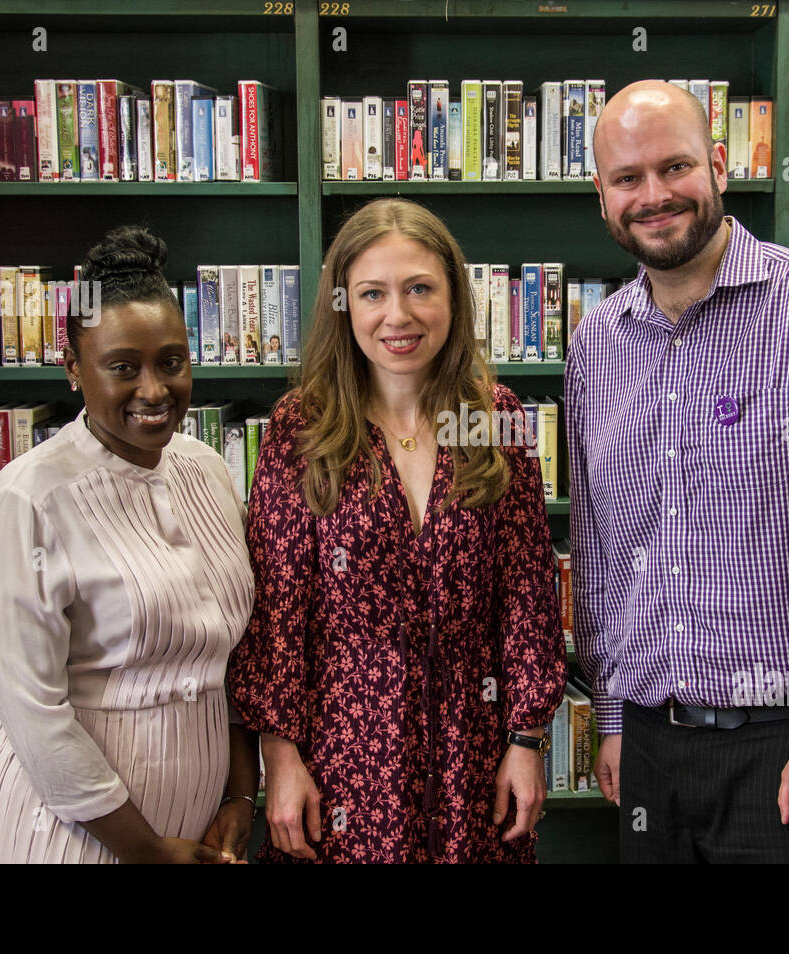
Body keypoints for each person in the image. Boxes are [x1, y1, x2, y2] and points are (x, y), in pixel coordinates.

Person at [567, 80, 789, 863]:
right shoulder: (596, 346)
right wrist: (616, 716)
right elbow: (599, 550)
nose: (654, 196)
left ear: (720, 168)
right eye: (628, 178)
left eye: (676, 168)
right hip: (652, 751)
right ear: (602, 196)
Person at [226, 197, 567, 863]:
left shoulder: (497, 418)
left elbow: (526, 594)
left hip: (474, 756)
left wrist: (527, 742)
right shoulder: (303, 426)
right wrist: (281, 756)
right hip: (341, 758)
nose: (398, 315)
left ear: (453, 298)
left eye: (419, 289)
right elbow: (277, 609)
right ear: (343, 305)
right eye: (372, 293)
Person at [0, 226, 258, 864]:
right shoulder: (30, 497)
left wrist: (241, 795)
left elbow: (231, 661)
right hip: (67, 832)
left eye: (172, 362)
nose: (154, 390)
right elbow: (34, 711)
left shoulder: (207, 468)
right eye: (123, 367)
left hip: (195, 826)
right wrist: (147, 851)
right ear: (74, 369)